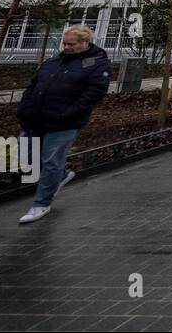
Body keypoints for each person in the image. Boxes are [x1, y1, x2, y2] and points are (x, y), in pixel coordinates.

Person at [16, 25, 111, 223]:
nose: (66, 47)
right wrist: (24, 107)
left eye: (72, 44)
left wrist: (69, 112)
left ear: (85, 43)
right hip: (35, 117)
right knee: (25, 155)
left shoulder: (95, 63)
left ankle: (41, 204)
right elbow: (34, 85)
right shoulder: (55, 60)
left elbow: (94, 93)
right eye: (64, 43)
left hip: (64, 122)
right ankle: (61, 175)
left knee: (52, 161)